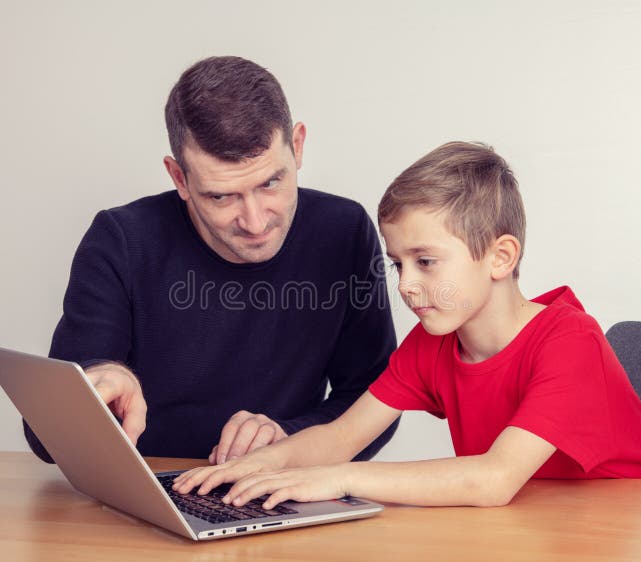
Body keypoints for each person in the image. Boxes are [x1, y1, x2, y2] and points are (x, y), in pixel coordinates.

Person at [172, 141, 641, 509]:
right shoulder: (432, 344)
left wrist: (341, 480)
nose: (406, 286)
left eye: (426, 262)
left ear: (500, 257)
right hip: (539, 530)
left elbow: (492, 480)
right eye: (398, 263)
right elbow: (341, 436)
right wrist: (263, 466)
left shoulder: (570, 342)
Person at [24, 56, 398, 464]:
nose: (256, 222)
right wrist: (100, 383)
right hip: (148, 494)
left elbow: (377, 398)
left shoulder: (343, 231)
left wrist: (288, 440)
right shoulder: (121, 241)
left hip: (280, 488)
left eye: (271, 182)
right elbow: (45, 439)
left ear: (298, 146)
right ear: (179, 178)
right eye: (221, 196)